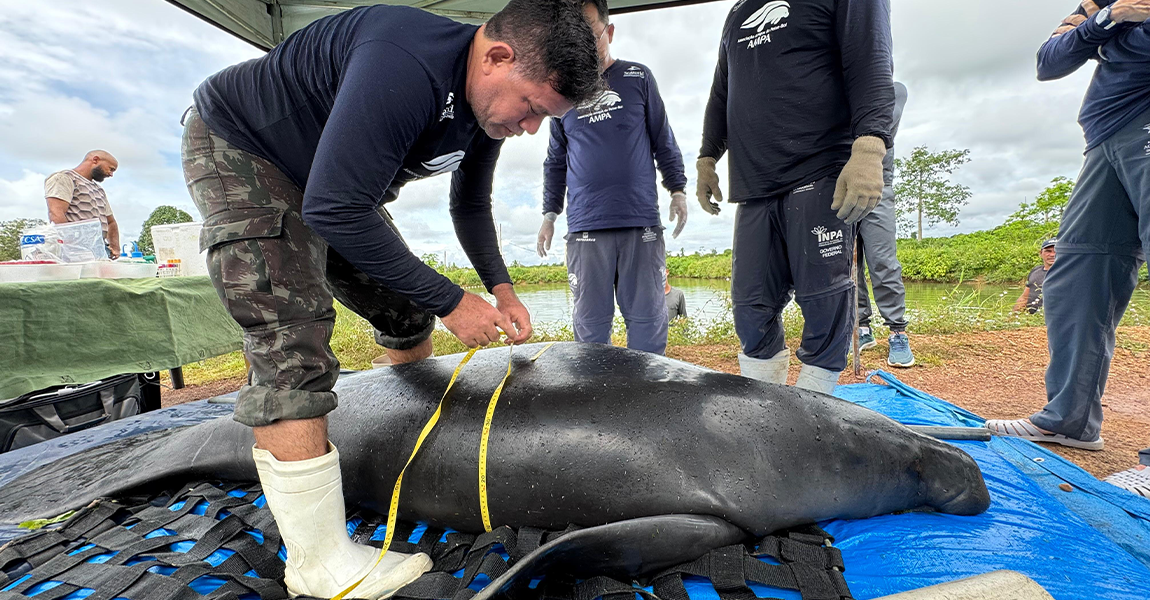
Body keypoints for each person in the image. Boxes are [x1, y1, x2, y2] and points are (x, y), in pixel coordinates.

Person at [181, 2, 602, 597]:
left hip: (333, 181)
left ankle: (413, 440)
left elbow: (470, 206)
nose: (531, 127)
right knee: (291, 337)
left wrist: (500, 291)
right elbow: (334, 208)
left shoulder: (487, 110)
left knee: (405, 308)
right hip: (244, 147)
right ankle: (318, 563)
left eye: (545, 119)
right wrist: (454, 303)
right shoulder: (404, 62)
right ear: (497, 56)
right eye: (532, 108)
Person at [986, 0, 1150, 499]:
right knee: (1076, 275)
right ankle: (1070, 420)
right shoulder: (1104, 4)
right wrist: (1106, 20)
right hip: (1105, 140)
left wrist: (1101, 33)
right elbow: (1049, 60)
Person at [695, 0, 894, 393]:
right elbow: (723, 90)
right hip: (754, 183)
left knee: (825, 304)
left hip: (820, 169)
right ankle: (763, 411)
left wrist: (871, 146)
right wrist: (707, 156)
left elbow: (871, 60)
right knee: (751, 309)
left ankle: (814, 415)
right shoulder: (738, 10)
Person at [536, 0, 687, 355]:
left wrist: (677, 189)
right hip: (586, 227)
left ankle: (649, 401)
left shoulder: (639, 77)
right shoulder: (563, 92)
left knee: (648, 326)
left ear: (610, 31)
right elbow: (555, 160)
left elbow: (663, 138)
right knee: (590, 331)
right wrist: (548, 214)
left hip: (641, 224)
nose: (582, 42)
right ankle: (596, 404)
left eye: (589, 31)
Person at [856, 82, 914, 368]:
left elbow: (879, 126)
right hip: (840, 188)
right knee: (847, 265)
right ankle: (861, 328)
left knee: (882, 262)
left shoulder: (892, 90)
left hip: (877, 186)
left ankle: (897, 332)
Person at [44, 150, 121, 258]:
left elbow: (111, 222)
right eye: (111, 169)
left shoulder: (98, 190)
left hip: (100, 248)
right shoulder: (64, 178)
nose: (111, 174)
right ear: (95, 160)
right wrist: (71, 247)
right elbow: (56, 213)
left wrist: (115, 247)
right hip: (76, 248)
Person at [1012, 239, 1057, 313]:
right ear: (1041, 253)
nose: (1052, 255)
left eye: (1056, 251)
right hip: (1030, 317)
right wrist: (1013, 316)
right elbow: (1024, 298)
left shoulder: (1069, 272)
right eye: (1048, 251)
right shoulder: (1036, 270)